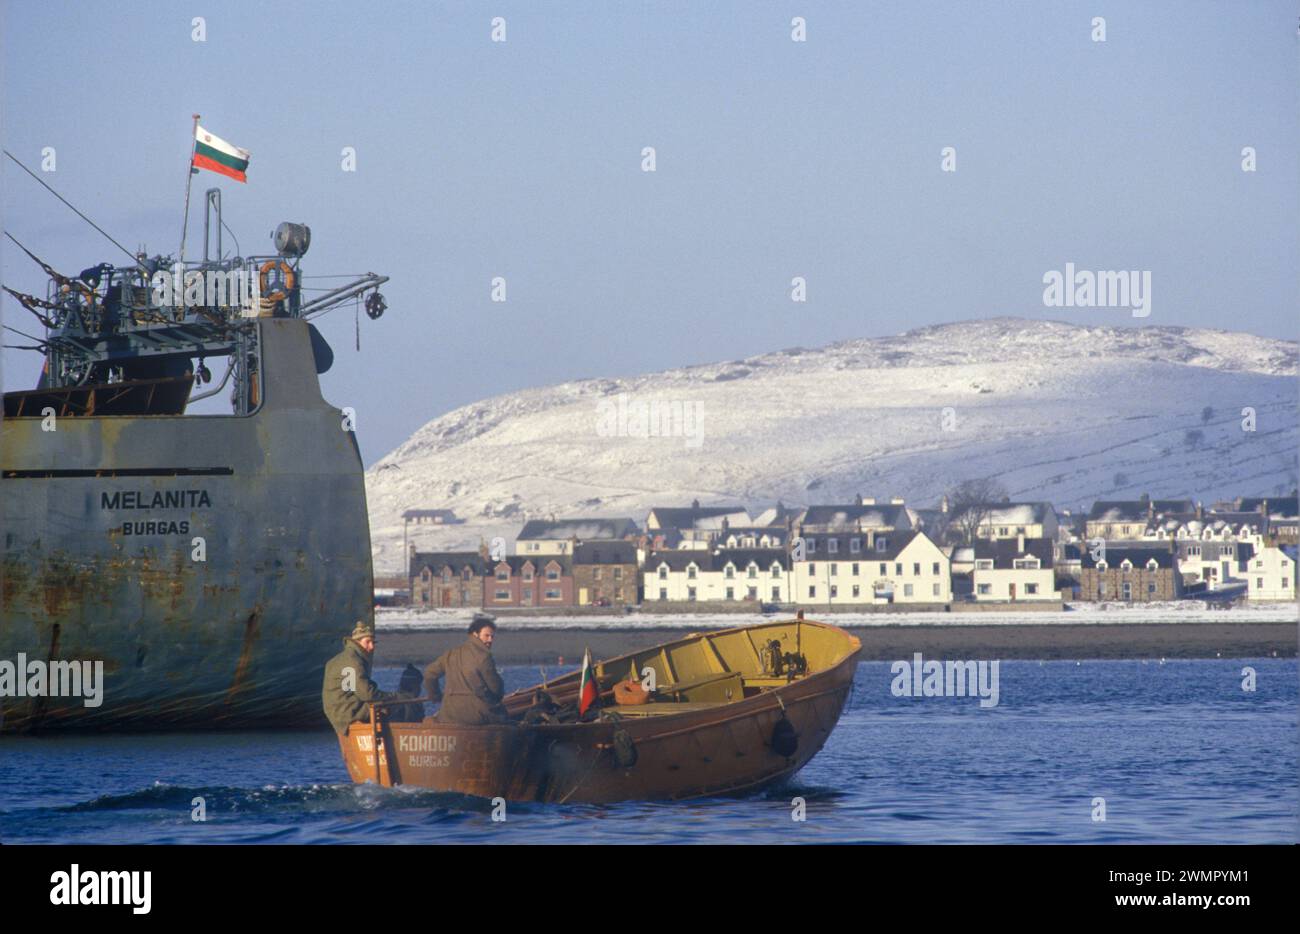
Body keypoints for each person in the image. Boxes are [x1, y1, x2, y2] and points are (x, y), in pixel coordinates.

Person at [423, 614, 510, 725]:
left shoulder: (451, 654)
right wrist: (496, 698)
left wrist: (435, 696)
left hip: (448, 714)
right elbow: (496, 689)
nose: (490, 640)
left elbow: (429, 674)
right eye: (486, 636)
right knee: (505, 718)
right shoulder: (484, 657)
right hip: (478, 716)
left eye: (492, 636)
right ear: (475, 634)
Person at [321, 620, 405, 735]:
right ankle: (396, 747)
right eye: (368, 642)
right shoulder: (353, 660)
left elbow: (353, 689)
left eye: (373, 642)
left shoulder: (338, 660)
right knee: (398, 707)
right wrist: (393, 697)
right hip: (350, 712)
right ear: (357, 642)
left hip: (337, 713)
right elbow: (366, 693)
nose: (371, 647)